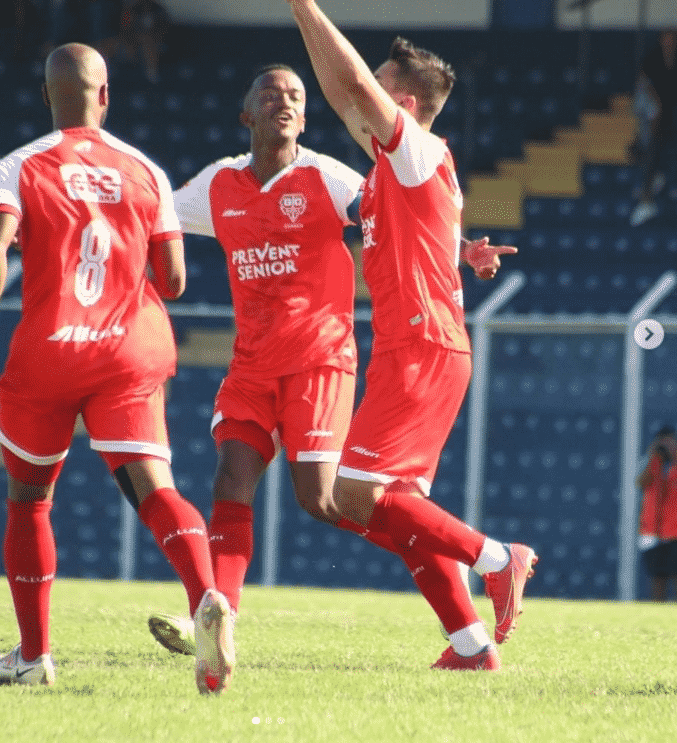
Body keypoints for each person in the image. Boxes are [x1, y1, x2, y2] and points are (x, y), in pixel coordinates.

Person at [146, 62, 513, 658]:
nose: (285, 102)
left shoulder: (327, 178)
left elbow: (401, 217)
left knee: (326, 501)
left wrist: (461, 248)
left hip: (319, 360)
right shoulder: (217, 186)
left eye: (295, 95)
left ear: (305, 118)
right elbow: (154, 216)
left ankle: (461, 593)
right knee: (230, 478)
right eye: (270, 93)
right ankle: (217, 618)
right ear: (245, 114)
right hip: (251, 366)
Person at [264, 0, 534, 671]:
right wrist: (460, 249)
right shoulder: (397, 167)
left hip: (422, 345)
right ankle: (470, 645)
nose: (367, 103)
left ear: (405, 103)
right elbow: (342, 92)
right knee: (393, 503)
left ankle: (498, 557)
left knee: (354, 495)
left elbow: (353, 87)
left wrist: (306, 4)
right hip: (419, 345)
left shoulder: (416, 149)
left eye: (385, 90)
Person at [0, 43, 234, 695]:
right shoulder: (147, 170)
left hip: (49, 351)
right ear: (105, 96)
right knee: (156, 489)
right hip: (127, 351)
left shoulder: (15, 167)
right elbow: (173, 279)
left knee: (30, 499)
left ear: (45, 96)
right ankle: (206, 595)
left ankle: (34, 656)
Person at [629, 29, 677, 227]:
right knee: (649, 149)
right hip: (659, 116)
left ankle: (662, 178)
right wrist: (656, 105)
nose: (668, 43)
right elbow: (644, 83)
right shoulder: (652, 60)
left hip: (671, 115)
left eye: (672, 40)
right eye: (666, 39)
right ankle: (646, 199)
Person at [637, 426, 677, 601]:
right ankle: (658, 611)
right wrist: (654, 457)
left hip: (674, 532)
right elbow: (641, 482)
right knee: (657, 578)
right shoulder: (652, 462)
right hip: (652, 532)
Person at [118, 0, 170, 83]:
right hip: (133, 41)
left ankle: (151, 74)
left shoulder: (158, 9)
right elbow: (124, 30)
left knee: (148, 43)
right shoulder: (130, 9)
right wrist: (134, 39)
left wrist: (153, 37)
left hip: (155, 42)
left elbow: (165, 29)